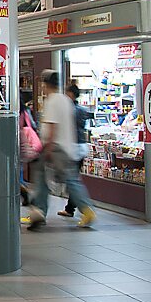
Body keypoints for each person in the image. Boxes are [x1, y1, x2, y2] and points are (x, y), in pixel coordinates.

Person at [25, 70, 96, 230]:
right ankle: (39, 212)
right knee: (61, 180)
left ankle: (86, 210)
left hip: (55, 148)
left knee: (61, 179)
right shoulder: (65, 100)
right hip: (67, 146)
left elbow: (52, 127)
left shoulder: (52, 101)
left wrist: (47, 149)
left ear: (45, 84)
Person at [58, 83, 93, 219]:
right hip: (82, 147)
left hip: (72, 147)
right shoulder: (83, 110)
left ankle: (82, 208)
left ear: (71, 94)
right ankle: (70, 208)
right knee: (74, 178)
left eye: (67, 93)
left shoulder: (70, 110)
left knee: (72, 180)